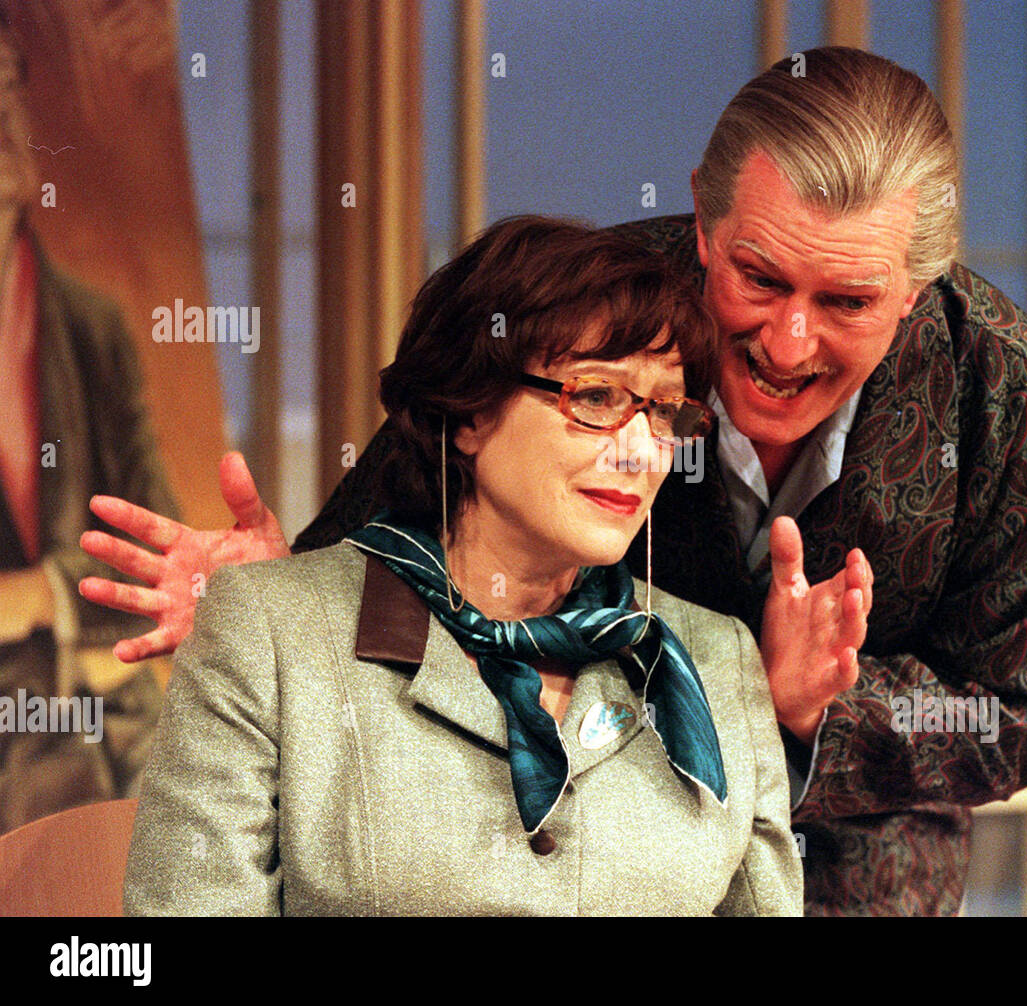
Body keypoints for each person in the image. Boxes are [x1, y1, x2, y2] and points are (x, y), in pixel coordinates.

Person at [92, 48, 1027, 915]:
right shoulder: (598, 318)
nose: (788, 341)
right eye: (758, 279)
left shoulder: (1007, 399)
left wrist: (792, 712)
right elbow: (421, 502)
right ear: (704, 229)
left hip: (868, 866)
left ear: (917, 294)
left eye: (845, 300)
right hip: (529, 827)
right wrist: (294, 591)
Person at [123, 216, 811, 915]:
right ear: (471, 411)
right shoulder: (270, 635)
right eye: (597, 397)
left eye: (664, 412)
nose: (641, 451)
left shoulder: (719, 659)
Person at [0, 16, 177, 832]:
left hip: (107, 753)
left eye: (9, 91)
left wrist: (42, 595)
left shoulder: (91, 326)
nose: (5, 122)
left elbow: (158, 560)